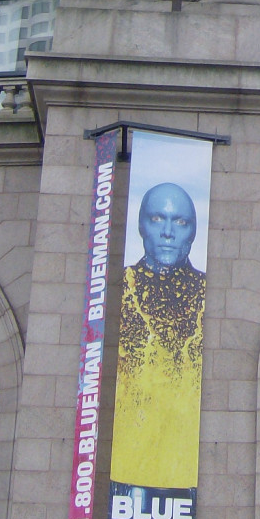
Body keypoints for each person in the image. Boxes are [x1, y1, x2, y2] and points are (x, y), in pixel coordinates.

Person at [110, 183, 206, 487]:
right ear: (141, 226)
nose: (168, 232)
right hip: (129, 466)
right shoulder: (120, 289)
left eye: (180, 222)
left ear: (192, 232)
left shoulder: (206, 294)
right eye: (157, 219)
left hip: (184, 465)